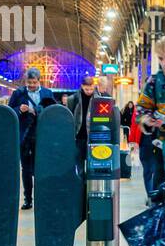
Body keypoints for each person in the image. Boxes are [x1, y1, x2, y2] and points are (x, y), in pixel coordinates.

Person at [137, 35, 165, 199]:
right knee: (161, 196)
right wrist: (148, 121)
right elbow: (141, 109)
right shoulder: (153, 81)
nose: (164, 63)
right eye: (161, 58)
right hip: (162, 151)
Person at [7, 67, 57, 209]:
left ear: (39, 81)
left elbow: (53, 112)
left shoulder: (48, 93)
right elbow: (9, 112)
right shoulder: (18, 93)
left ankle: (42, 197)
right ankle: (28, 199)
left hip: (42, 137)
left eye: (34, 82)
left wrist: (36, 110)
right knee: (26, 170)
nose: (32, 85)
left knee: (42, 168)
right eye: (29, 82)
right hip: (25, 137)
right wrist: (18, 110)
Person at [66, 74, 98, 168]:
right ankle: (80, 182)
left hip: (93, 137)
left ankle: (89, 183)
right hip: (78, 136)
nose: (89, 91)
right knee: (78, 165)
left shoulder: (98, 99)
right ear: (82, 86)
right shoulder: (73, 99)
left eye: (91, 89)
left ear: (94, 86)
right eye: (86, 89)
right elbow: (69, 118)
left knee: (92, 165)